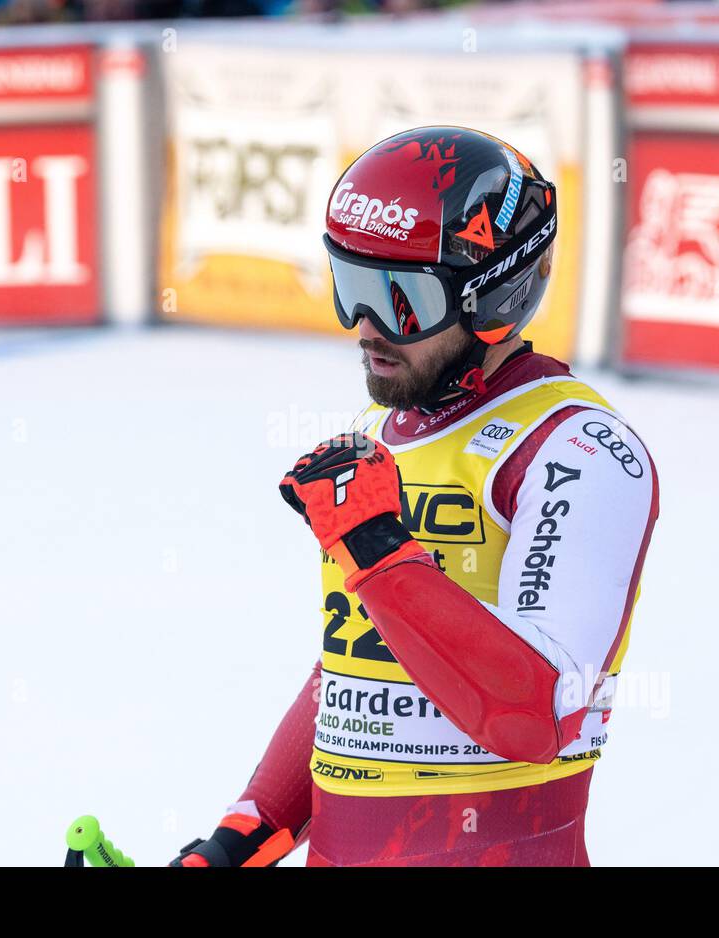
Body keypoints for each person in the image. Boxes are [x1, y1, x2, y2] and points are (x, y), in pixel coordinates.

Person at [172, 126, 660, 867]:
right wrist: (241, 835)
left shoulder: (578, 450)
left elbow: (539, 712)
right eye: (351, 285)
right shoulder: (379, 434)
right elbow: (360, 674)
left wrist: (375, 544)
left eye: (400, 299)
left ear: (495, 293)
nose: (363, 326)